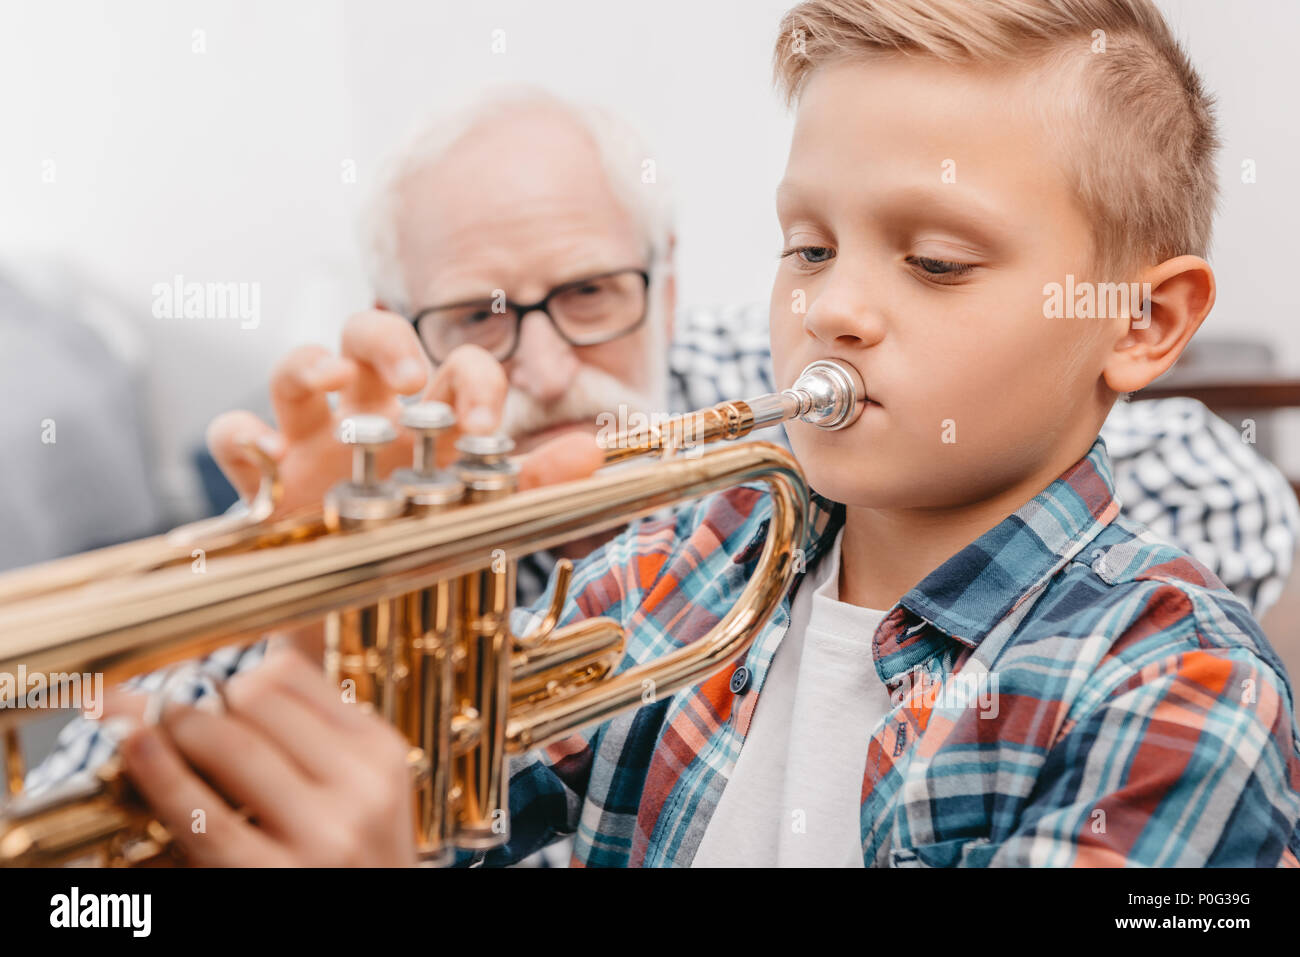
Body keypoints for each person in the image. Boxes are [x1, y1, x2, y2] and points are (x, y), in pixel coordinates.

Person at [23, 1, 1300, 866]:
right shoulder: (677, 563)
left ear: (1139, 320)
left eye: (934, 259)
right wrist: (320, 632)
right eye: (806, 245)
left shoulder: (1182, 693)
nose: (832, 306)